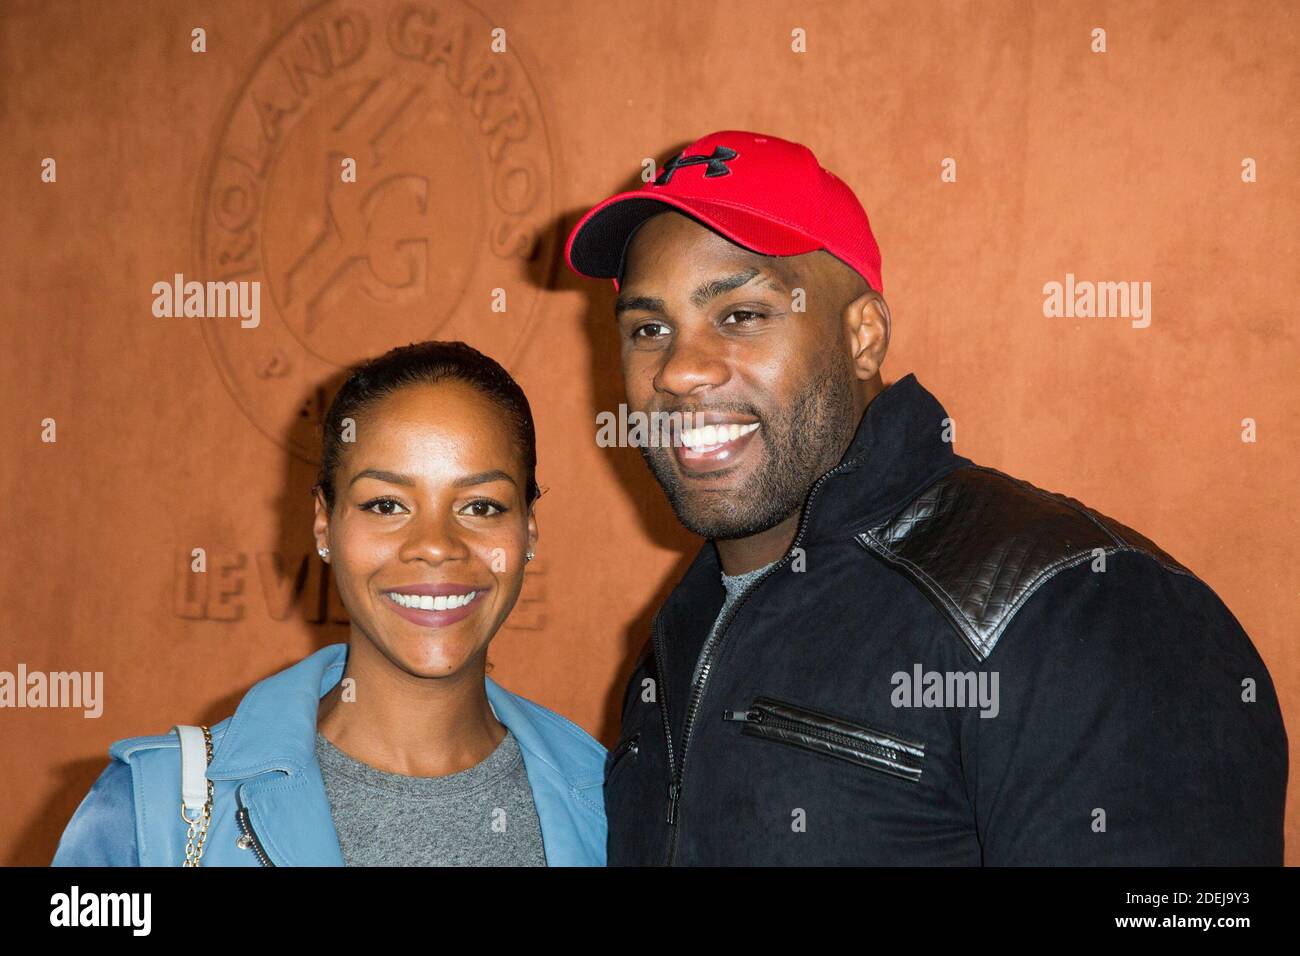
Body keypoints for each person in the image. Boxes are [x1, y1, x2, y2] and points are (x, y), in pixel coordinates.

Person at [565, 129, 1288, 865]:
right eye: (650, 327)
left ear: (864, 336)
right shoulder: (683, 626)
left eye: (741, 315)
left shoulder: (1082, 604)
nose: (680, 371)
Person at [52, 341, 606, 866]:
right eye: (386, 504)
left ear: (528, 531)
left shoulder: (614, 804)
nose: (435, 545)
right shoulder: (151, 812)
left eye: (482, 506)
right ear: (324, 523)